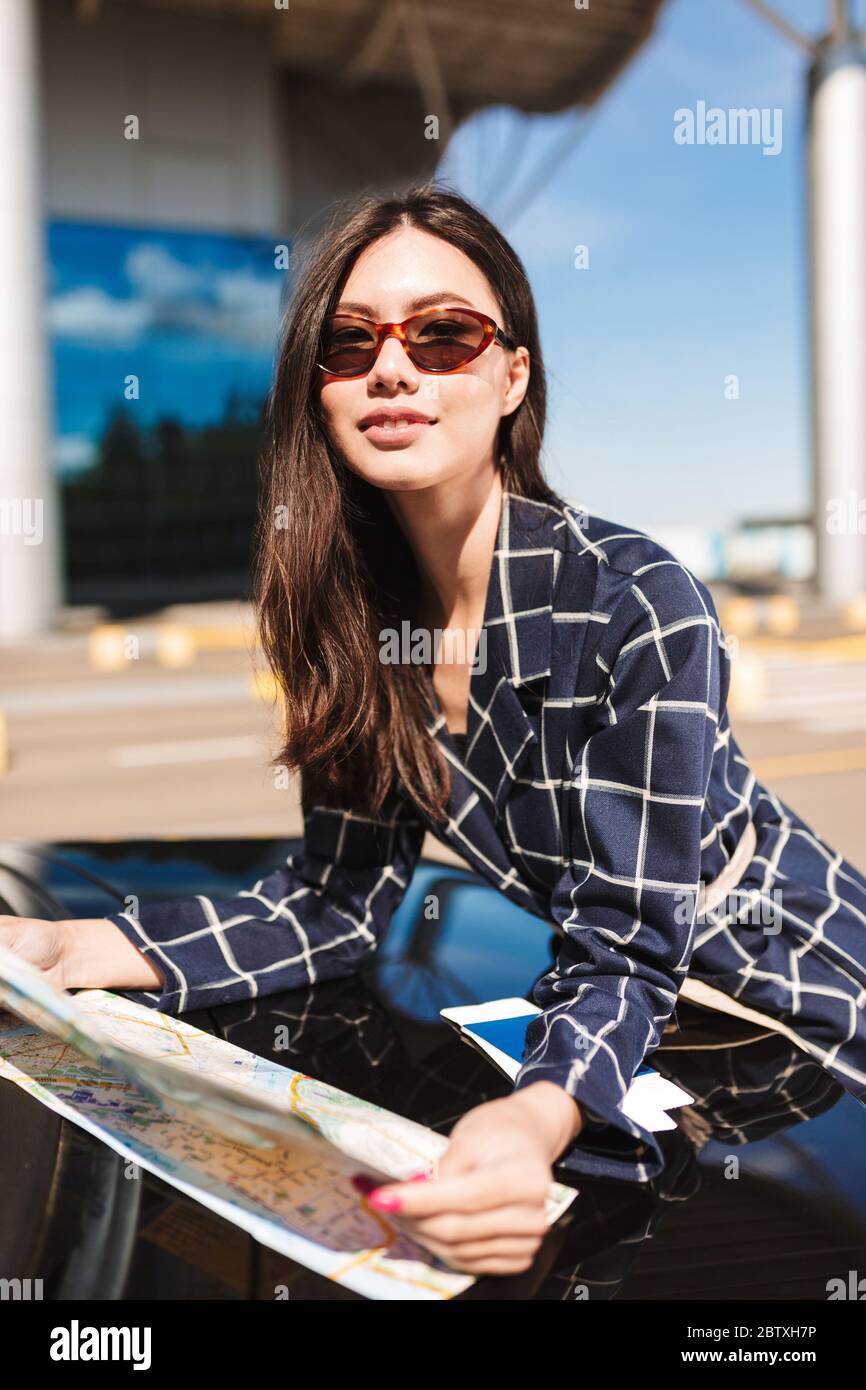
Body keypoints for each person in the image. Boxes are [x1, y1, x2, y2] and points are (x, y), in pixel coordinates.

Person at [3, 182, 866, 1279]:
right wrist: (69, 946)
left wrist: (532, 1117)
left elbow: (623, 945)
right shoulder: (354, 626)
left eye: (443, 334)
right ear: (316, 391)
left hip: (798, 994)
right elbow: (330, 907)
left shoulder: (631, 598)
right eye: (349, 341)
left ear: (512, 376)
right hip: (666, 1042)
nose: (392, 366)